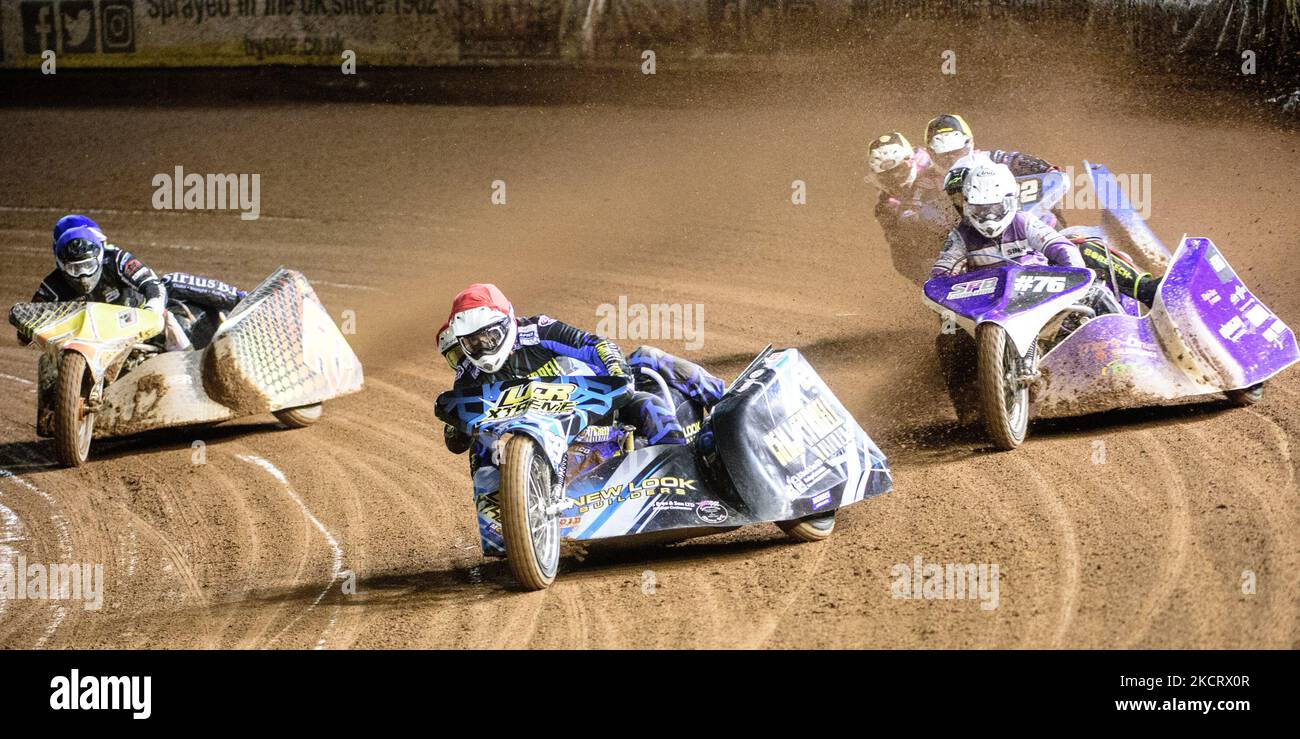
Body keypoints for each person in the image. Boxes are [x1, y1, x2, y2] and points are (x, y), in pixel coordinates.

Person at [442, 283, 689, 454]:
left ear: (506, 323)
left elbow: (594, 345)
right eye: (471, 342)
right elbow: (455, 438)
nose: (481, 348)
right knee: (480, 446)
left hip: (601, 416)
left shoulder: (538, 331)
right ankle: (494, 509)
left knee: (648, 399)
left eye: (487, 338)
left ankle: (716, 410)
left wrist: (618, 375)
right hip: (540, 445)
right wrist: (460, 427)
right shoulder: (470, 374)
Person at [865, 131, 953, 284]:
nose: (894, 178)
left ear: (910, 161)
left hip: (971, 223)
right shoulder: (885, 206)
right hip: (936, 246)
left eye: (898, 171)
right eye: (887, 175)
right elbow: (901, 250)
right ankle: (937, 289)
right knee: (902, 258)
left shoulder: (938, 165)